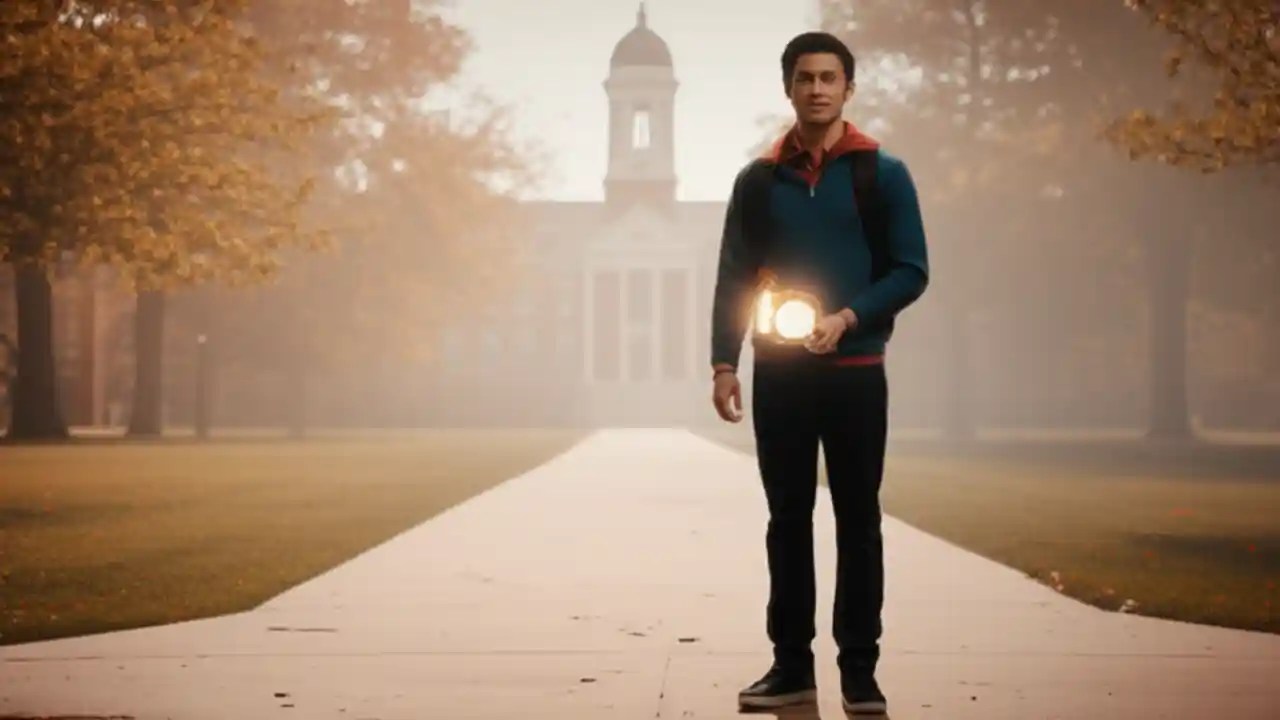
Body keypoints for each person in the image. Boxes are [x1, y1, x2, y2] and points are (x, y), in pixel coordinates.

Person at [708, 31, 929, 715]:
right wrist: (724, 361)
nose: (817, 89)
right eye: (804, 78)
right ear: (789, 87)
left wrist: (849, 318)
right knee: (788, 520)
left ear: (848, 88)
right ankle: (791, 667)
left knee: (859, 520)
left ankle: (859, 673)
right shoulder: (757, 181)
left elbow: (911, 271)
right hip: (779, 376)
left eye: (829, 77)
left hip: (857, 373)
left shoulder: (881, 174)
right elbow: (734, 276)